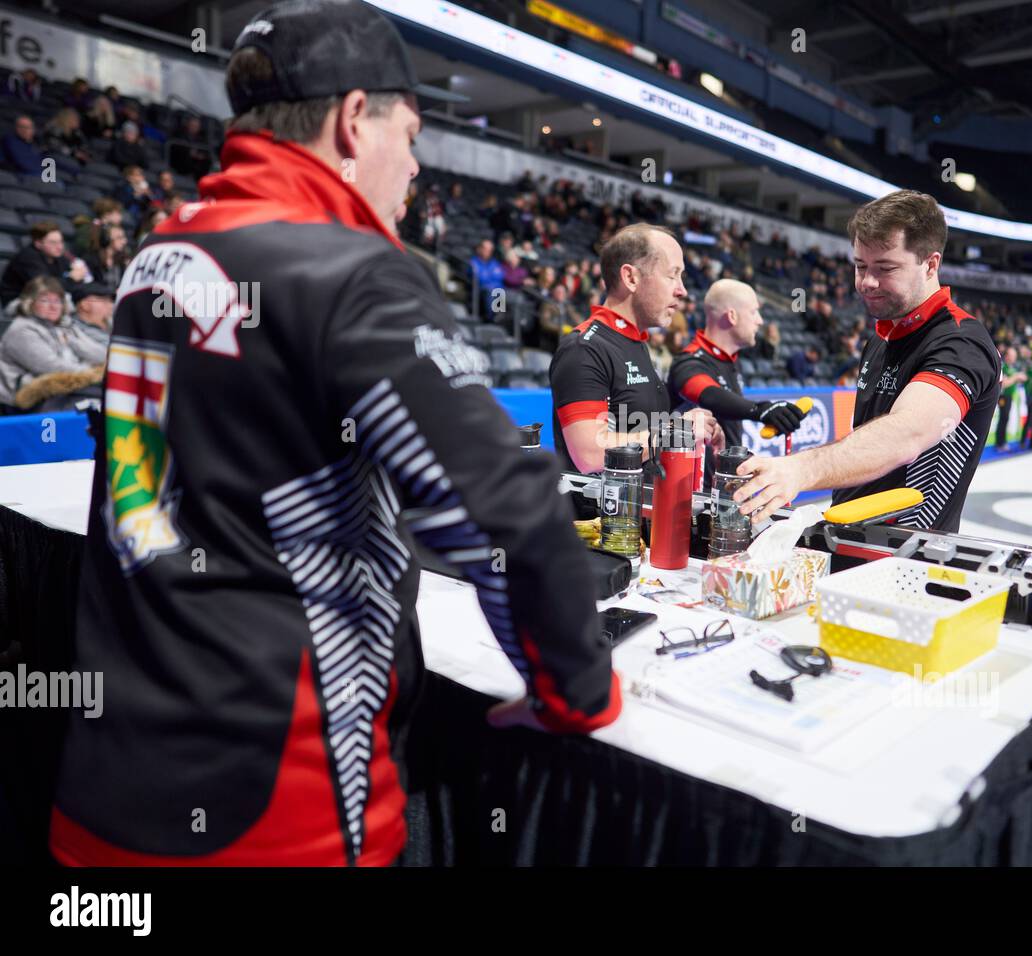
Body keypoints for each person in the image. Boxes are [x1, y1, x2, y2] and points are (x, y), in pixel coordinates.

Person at [51, 0, 619, 868]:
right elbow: (500, 515)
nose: (418, 169)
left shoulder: (154, 259)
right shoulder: (346, 269)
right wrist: (576, 693)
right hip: (281, 811)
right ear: (356, 120)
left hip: (103, 789)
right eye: (415, 135)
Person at [735, 190, 1001, 532]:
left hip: (909, 558)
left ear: (931, 264)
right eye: (860, 266)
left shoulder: (961, 342)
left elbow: (908, 432)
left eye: (885, 268)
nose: (867, 282)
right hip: (847, 539)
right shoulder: (880, 337)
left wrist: (802, 469)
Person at [549, 223, 723, 474]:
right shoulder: (584, 348)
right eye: (672, 275)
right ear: (631, 278)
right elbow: (590, 455)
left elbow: (639, 428)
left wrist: (696, 425)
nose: (682, 290)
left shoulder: (634, 342)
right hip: (598, 514)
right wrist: (677, 430)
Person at [669, 278, 806, 454]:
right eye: (754, 312)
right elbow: (708, 393)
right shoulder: (689, 362)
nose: (760, 321)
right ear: (732, 316)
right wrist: (760, 410)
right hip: (696, 481)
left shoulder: (731, 358)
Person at [0, 277, 103, 410]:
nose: (53, 306)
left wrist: (71, 341)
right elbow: (51, 367)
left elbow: (102, 355)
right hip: (25, 399)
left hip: (64, 392)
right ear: (29, 303)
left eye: (57, 301)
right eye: (44, 300)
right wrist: (92, 375)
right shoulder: (21, 329)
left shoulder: (65, 326)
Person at [0, 221, 88, 306]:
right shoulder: (27, 258)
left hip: (45, 299)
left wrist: (79, 276)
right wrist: (72, 278)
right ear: (38, 244)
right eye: (53, 242)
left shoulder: (58, 256)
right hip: (19, 301)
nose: (60, 247)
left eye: (61, 241)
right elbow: (46, 287)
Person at [994, 344, 1025, 452]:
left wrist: (1018, 378)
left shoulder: (1012, 367)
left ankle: (1002, 442)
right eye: (1012, 355)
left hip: (1009, 396)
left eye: (1015, 355)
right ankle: (999, 444)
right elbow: (1004, 383)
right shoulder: (1003, 367)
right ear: (1007, 356)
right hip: (1003, 396)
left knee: (1005, 419)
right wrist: (1016, 377)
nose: (1014, 357)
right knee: (1003, 418)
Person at [69, 281, 113, 357]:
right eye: (104, 300)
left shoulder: (112, 323)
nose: (111, 305)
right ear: (85, 305)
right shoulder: (73, 330)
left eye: (110, 301)